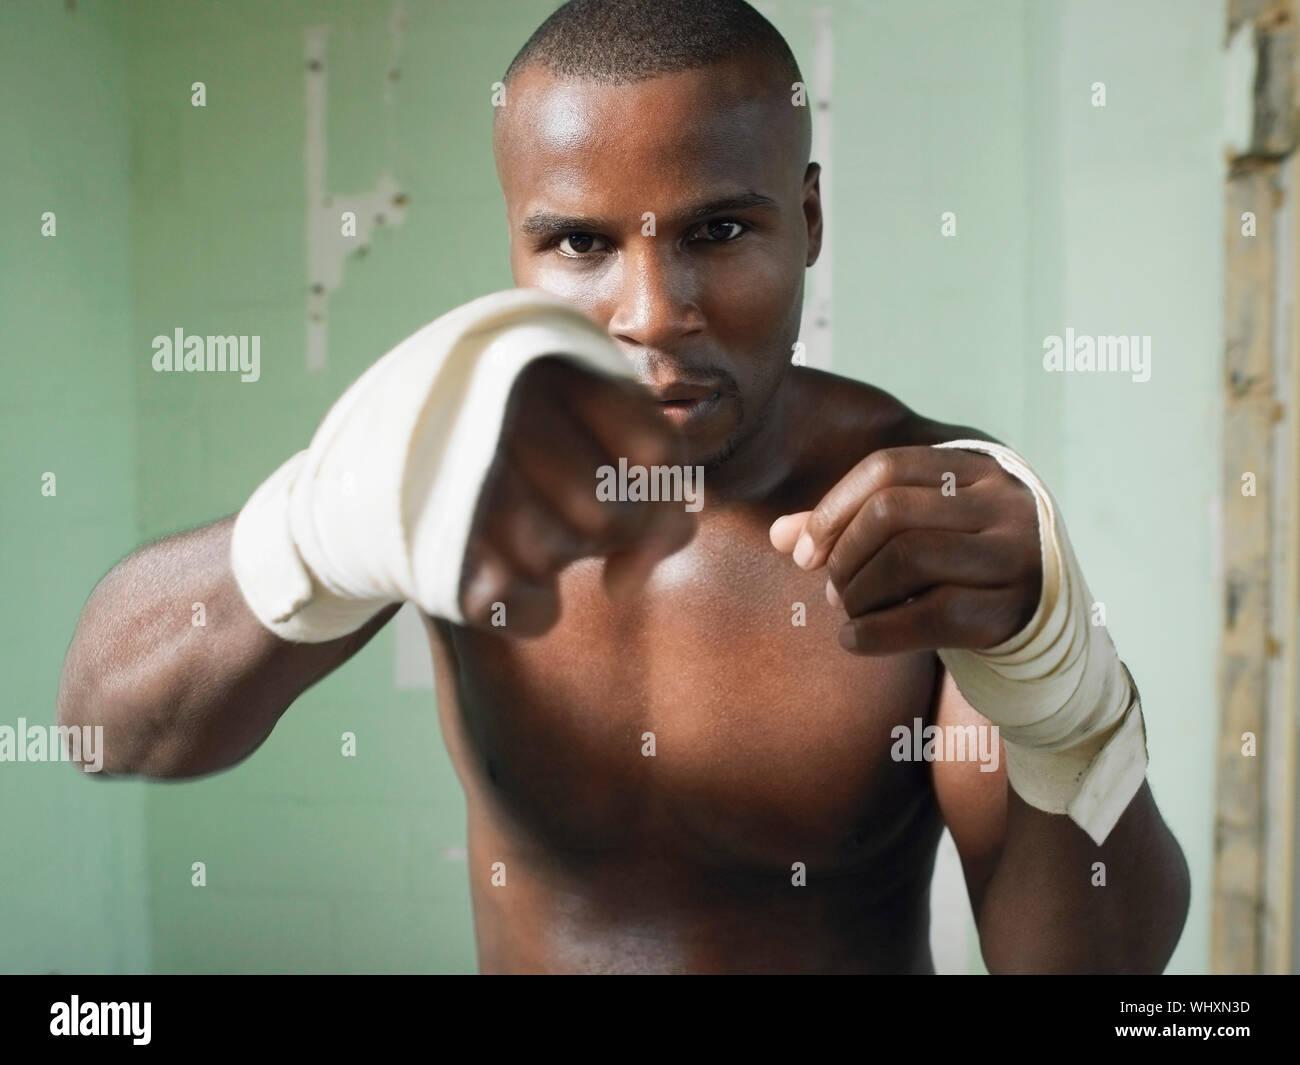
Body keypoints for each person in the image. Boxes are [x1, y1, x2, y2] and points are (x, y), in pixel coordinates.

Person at [57, 0, 1190, 973]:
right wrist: (315, 529)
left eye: (717, 228)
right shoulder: (461, 469)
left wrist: (1062, 693)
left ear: (805, 219)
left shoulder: (925, 520)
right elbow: (103, 731)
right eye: (580, 245)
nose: (651, 311)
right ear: (513, 245)